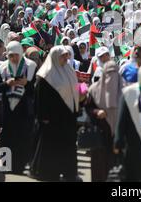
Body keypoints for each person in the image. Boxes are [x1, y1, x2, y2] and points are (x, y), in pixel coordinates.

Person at [30, 46, 79, 181]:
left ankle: (69, 173)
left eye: (66, 56)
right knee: (52, 148)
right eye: (63, 56)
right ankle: (50, 173)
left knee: (68, 146)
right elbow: (39, 98)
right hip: (51, 120)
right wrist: (43, 117)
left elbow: (74, 89)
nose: (66, 58)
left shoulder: (68, 70)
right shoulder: (45, 75)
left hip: (68, 117)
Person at [0, 41, 37, 174]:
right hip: (8, 110)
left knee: (22, 138)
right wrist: (7, 83)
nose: (14, 58)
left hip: (24, 110)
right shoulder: (3, 68)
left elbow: (34, 90)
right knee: (6, 138)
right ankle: (5, 166)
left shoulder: (30, 66)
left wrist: (27, 83)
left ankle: (19, 167)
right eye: (11, 55)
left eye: (16, 55)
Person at [85, 61, 123, 181]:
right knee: (99, 165)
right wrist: (97, 112)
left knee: (115, 168)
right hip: (100, 133)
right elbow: (88, 107)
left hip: (117, 135)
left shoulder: (125, 90)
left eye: (114, 73)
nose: (111, 77)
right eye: (109, 73)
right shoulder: (94, 90)